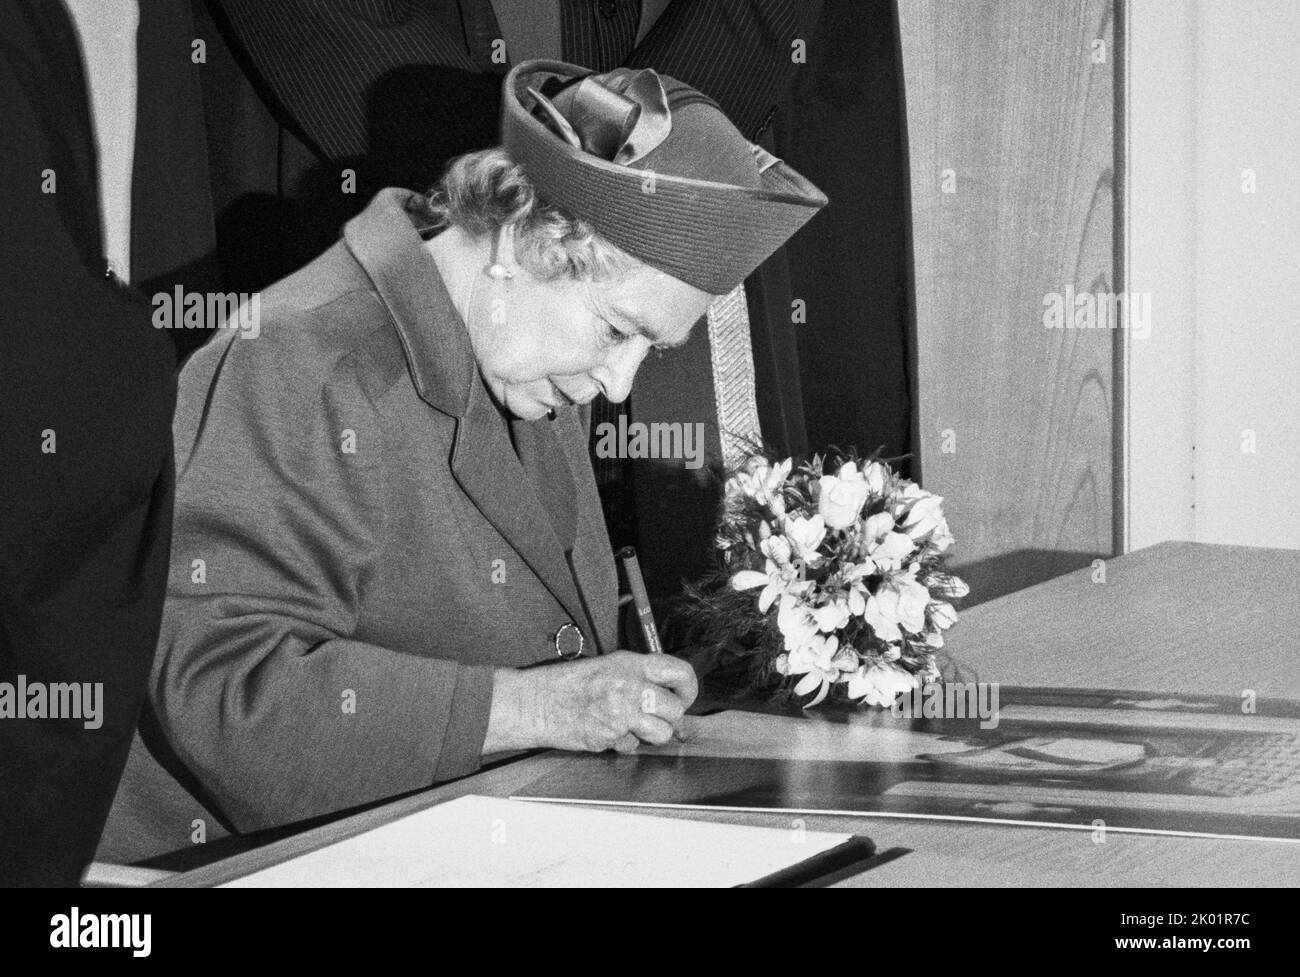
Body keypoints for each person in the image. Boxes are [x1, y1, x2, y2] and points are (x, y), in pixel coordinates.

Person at [96, 59, 826, 864]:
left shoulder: (526, 356)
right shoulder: (303, 360)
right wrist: (536, 708)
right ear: (517, 241)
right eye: (620, 330)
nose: (620, 382)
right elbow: (223, 695)